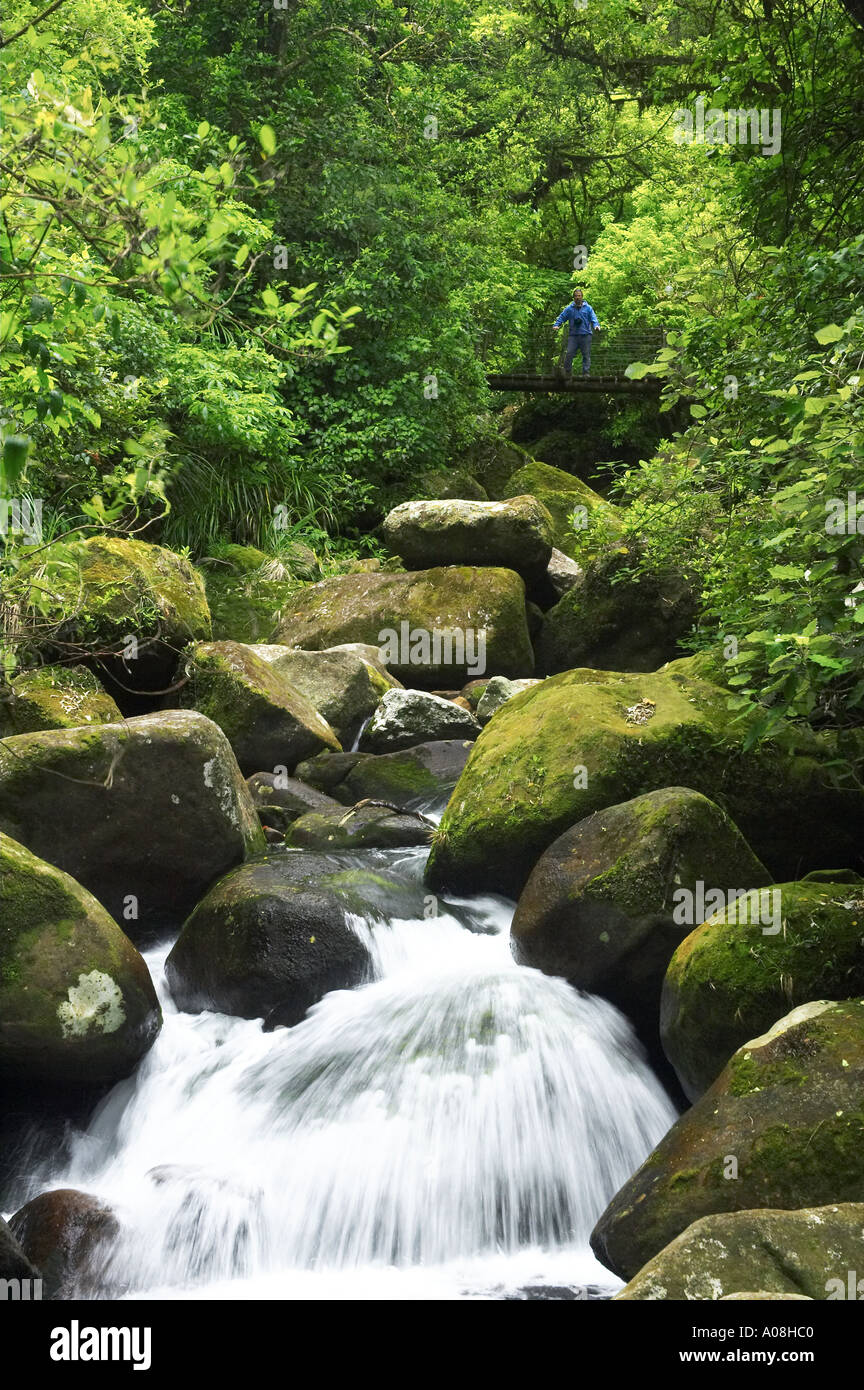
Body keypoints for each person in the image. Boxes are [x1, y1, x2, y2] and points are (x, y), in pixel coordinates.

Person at [552, 289, 600, 378]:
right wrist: (556, 325)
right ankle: (567, 372)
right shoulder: (569, 309)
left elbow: (594, 318)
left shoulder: (588, 308)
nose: (577, 297)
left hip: (586, 335)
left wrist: (596, 326)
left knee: (586, 354)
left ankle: (586, 373)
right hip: (573, 336)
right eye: (576, 296)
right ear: (573, 298)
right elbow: (562, 317)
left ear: (582, 297)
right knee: (569, 354)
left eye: (579, 296)